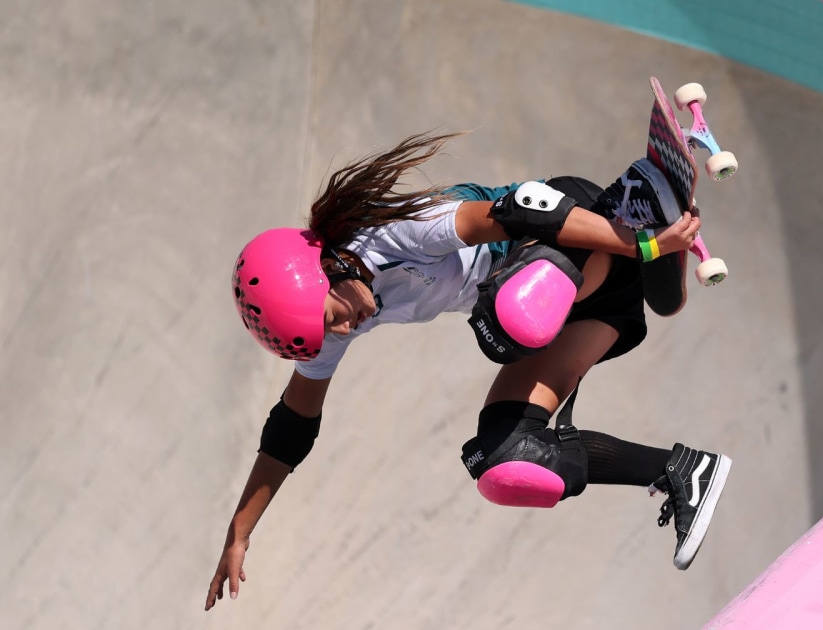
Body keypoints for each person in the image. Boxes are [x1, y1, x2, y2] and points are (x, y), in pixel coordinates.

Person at [205, 132, 733, 611]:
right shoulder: (342, 307)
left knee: (504, 322)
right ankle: (683, 471)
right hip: (586, 308)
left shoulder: (393, 233)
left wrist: (641, 244)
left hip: (568, 238)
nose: (343, 331)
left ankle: (631, 205)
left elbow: (524, 211)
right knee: (505, 456)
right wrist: (240, 530)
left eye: (331, 319)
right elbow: (292, 425)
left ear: (326, 270)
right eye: (328, 336)